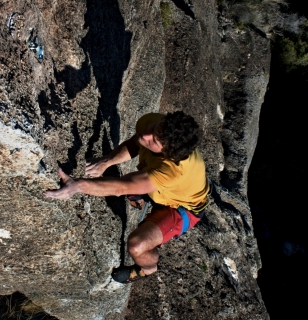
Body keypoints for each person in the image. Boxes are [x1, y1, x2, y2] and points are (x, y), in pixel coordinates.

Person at [44, 111, 210, 283]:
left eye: (154, 141)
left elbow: (120, 187)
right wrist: (106, 161)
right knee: (137, 185)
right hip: (164, 187)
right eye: (154, 129)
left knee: (137, 246)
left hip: (182, 207)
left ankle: (148, 268)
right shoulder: (156, 124)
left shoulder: (172, 171)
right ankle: (145, 196)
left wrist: (77, 186)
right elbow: (136, 143)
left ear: (168, 155)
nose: (146, 135)